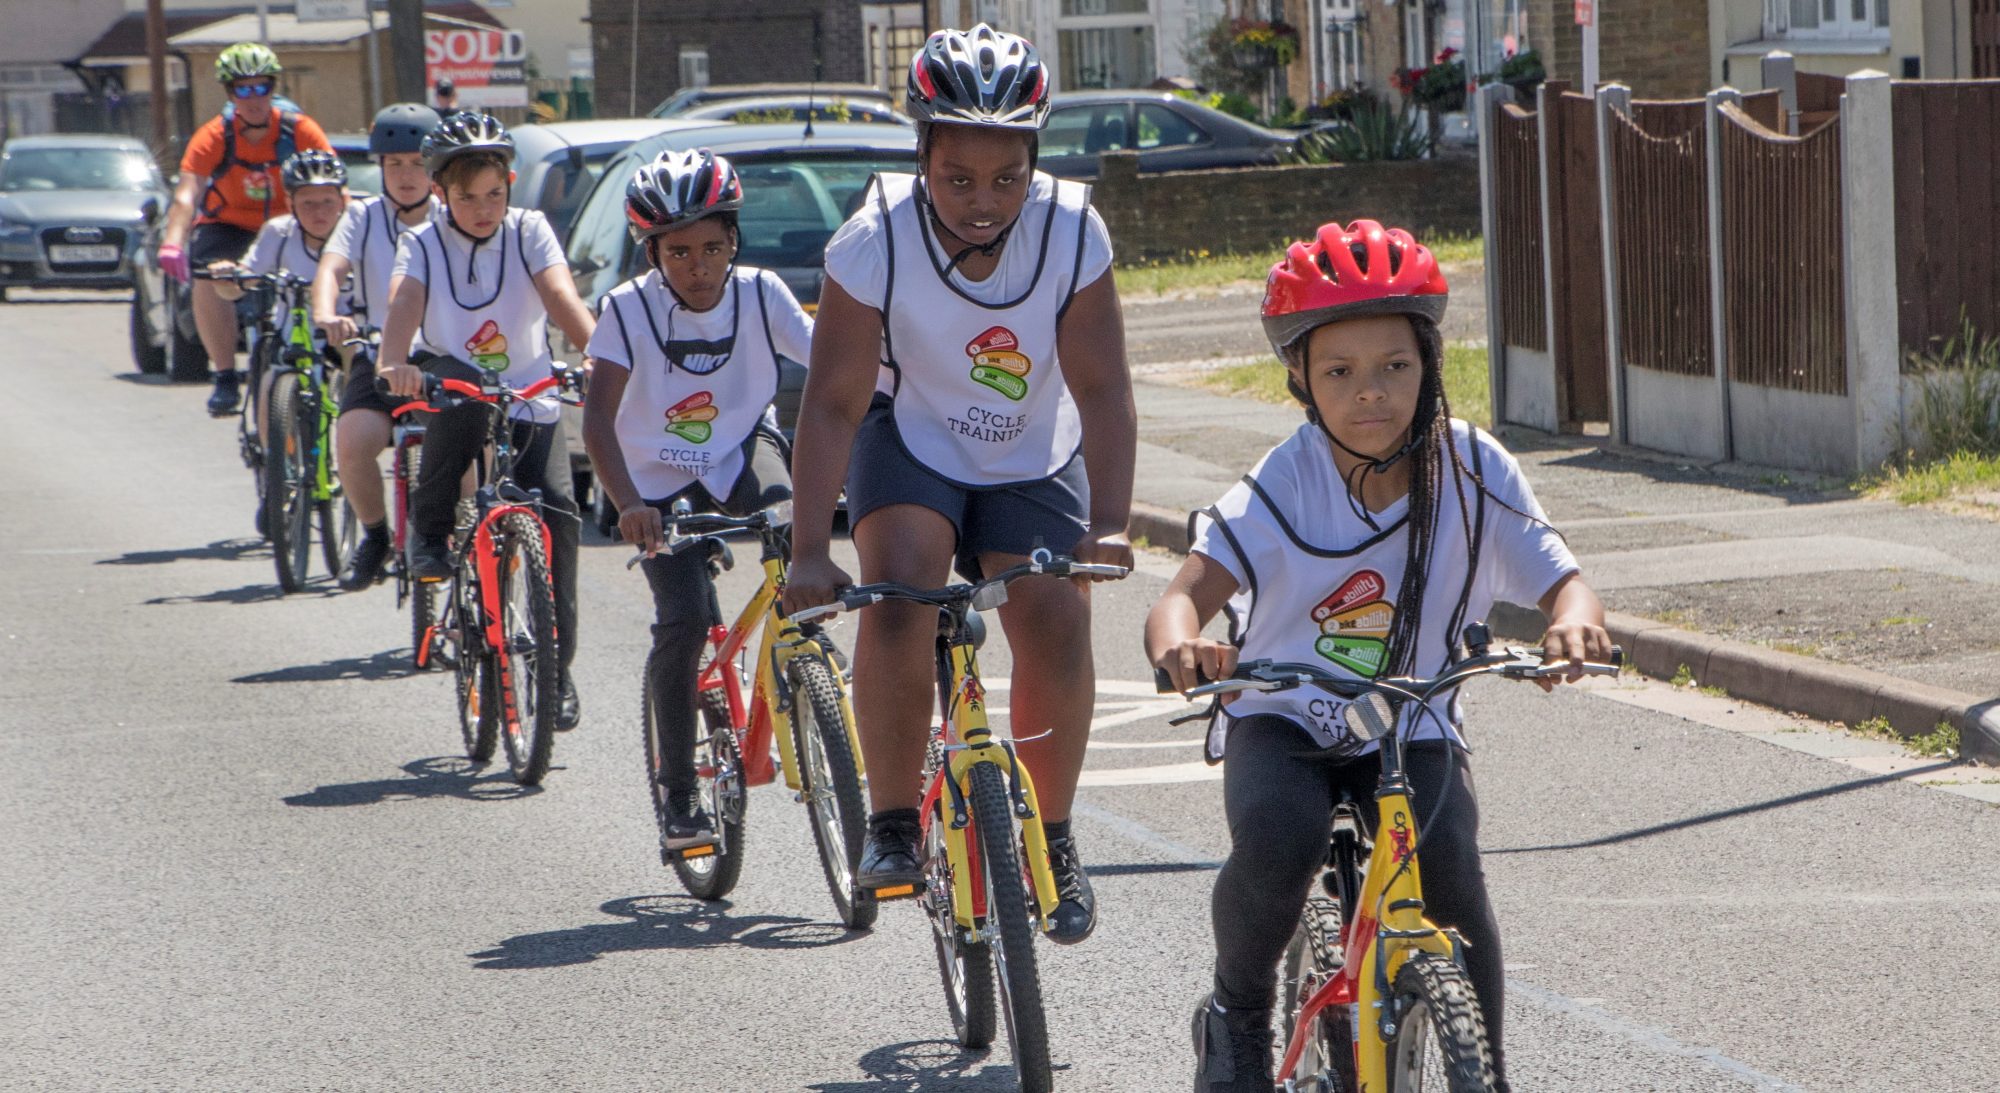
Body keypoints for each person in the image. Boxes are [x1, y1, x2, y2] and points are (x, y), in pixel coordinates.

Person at [1142, 219, 1613, 1093]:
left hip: (1414, 720)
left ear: (1430, 362)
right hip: (1285, 719)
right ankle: (1238, 1019)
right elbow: (1181, 595)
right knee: (1280, 841)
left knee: (1454, 875)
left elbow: (1565, 580)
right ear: (1299, 379)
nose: (1371, 394)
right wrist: (1181, 644)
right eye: (1340, 372)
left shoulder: (1475, 469)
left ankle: (1484, 1072)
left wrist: (1572, 623)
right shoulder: (1286, 479)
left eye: (1396, 366)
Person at [780, 24, 1135, 945]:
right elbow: (830, 406)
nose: (983, 202)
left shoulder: (1072, 229)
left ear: (1035, 160)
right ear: (921, 157)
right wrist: (810, 551)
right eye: (958, 178)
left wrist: (1110, 525)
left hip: (1031, 450)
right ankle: (893, 821)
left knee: (1056, 619)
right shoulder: (874, 241)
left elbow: (1101, 388)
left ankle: (1052, 838)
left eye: (1006, 178)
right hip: (912, 439)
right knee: (900, 588)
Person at [581, 149, 813, 850]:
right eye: (678, 251)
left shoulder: (762, 293)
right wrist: (628, 502)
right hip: (653, 476)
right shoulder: (626, 310)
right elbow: (596, 420)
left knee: (790, 521)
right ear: (652, 252)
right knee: (682, 623)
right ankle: (679, 790)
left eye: (714, 247)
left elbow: (832, 360)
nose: (699, 265)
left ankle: (807, 665)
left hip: (741, 449)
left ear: (735, 242)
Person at [378, 111, 595, 732]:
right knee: (466, 393)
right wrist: (395, 361)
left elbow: (560, 298)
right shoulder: (422, 241)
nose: (483, 208)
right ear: (440, 191)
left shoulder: (529, 230)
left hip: (530, 389)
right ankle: (431, 528)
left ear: (512, 184)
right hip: (449, 376)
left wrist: (606, 357)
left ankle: (556, 673)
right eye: (467, 197)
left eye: (494, 194)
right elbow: (407, 301)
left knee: (557, 509)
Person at [155, 42, 332, 416]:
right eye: (243, 88)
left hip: (289, 224)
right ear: (230, 92)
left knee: (330, 274)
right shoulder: (213, 137)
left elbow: (336, 188)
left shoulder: (300, 130)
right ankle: (223, 374)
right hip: (229, 225)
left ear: (273, 87)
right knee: (207, 277)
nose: (254, 98)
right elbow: (188, 195)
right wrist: (172, 243)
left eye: (262, 86)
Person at [313, 103, 444, 591]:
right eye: (394, 165)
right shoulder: (362, 216)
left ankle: (467, 541)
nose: (406, 175)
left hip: (439, 357)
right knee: (350, 443)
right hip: (378, 357)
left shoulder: (455, 216)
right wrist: (327, 314)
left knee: (468, 458)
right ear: (380, 168)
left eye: (416, 163)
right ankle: (374, 537)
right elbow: (331, 267)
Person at [205, 149, 352, 457]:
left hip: (345, 339)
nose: (319, 211)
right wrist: (226, 280)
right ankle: (276, 470)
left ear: (342, 201)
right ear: (290, 204)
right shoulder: (278, 232)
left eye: (327, 201)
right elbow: (242, 284)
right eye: (307, 202)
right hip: (292, 340)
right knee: (270, 384)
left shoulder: (356, 233)